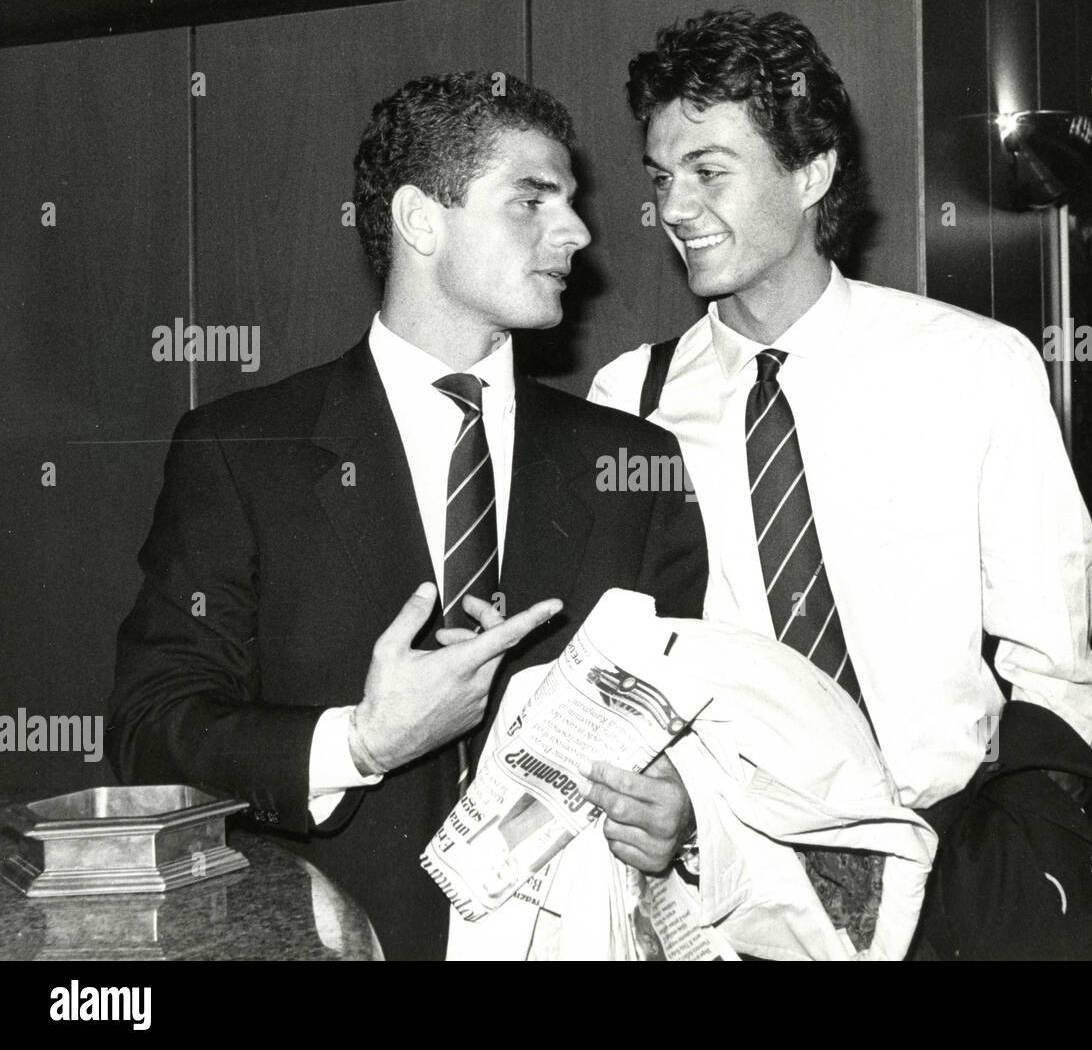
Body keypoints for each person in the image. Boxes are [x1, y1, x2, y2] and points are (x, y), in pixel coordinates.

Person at [108, 72, 706, 961]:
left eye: (572, 203)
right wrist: (358, 741)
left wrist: (681, 813)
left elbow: (702, 726)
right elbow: (148, 731)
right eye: (532, 199)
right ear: (421, 220)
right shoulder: (241, 451)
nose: (578, 232)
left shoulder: (637, 464)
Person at [589, 9, 1092, 951]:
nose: (673, 207)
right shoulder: (630, 398)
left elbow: (1053, 665)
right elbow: (635, 663)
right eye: (662, 177)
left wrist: (1024, 858)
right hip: (740, 885)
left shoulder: (972, 366)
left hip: (955, 862)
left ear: (811, 170)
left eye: (710, 171)